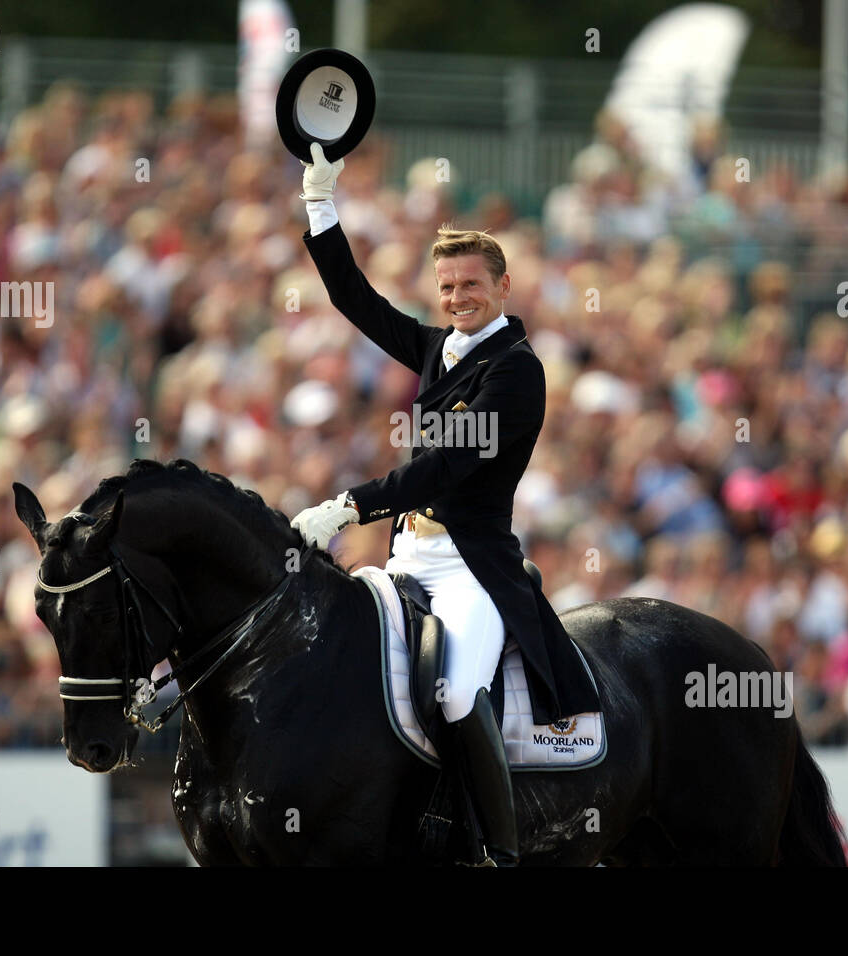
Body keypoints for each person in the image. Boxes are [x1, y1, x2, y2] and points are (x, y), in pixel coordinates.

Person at [290, 143, 600, 865]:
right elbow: (353, 299)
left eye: (471, 285)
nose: (458, 297)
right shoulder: (439, 349)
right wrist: (319, 203)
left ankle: (495, 848)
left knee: (458, 694)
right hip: (406, 560)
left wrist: (350, 504)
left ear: (503, 286)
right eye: (448, 285)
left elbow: (448, 468)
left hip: (470, 569)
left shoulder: (517, 372)